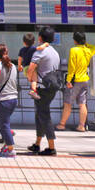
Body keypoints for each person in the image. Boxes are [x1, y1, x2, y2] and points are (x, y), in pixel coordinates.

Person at [25, 26, 61, 156]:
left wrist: (29, 78)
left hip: (42, 88)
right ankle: (37, 144)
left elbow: (31, 68)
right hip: (52, 87)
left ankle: (51, 147)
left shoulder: (40, 51)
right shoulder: (54, 52)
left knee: (44, 115)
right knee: (39, 114)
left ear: (40, 37)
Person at [59, 31, 95, 132]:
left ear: (75, 40)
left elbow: (72, 66)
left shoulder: (74, 50)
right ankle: (81, 126)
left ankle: (62, 124)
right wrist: (85, 44)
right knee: (82, 104)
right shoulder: (88, 50)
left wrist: (68, 80)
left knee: (68, 103)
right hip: (85, 79)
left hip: (75, 80)